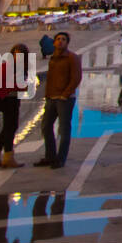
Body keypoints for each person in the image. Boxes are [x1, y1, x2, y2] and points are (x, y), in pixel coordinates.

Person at [36, 32, 82, 168]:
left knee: (63, 129)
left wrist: (65, 94)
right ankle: (50, 156)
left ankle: (60, 159)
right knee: (45, 126)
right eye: (58, 39)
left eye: (63, 40)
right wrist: (48, 95)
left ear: (67, 43)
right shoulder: (53, 58)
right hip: (51, 97)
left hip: (64, 99)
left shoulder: (72, 58)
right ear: (54, 42)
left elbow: (76, 78)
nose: (60, 41)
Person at [0, 43, 28, 169]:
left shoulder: (21, 67)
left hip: (14, 99)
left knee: (7, 128)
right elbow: (1, 83)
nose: (18, 56)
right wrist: (21, 86)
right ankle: (8, 158)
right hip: (8, 99)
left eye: (21, 54)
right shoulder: (8, 66)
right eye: (16, 54)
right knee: (10, 128)